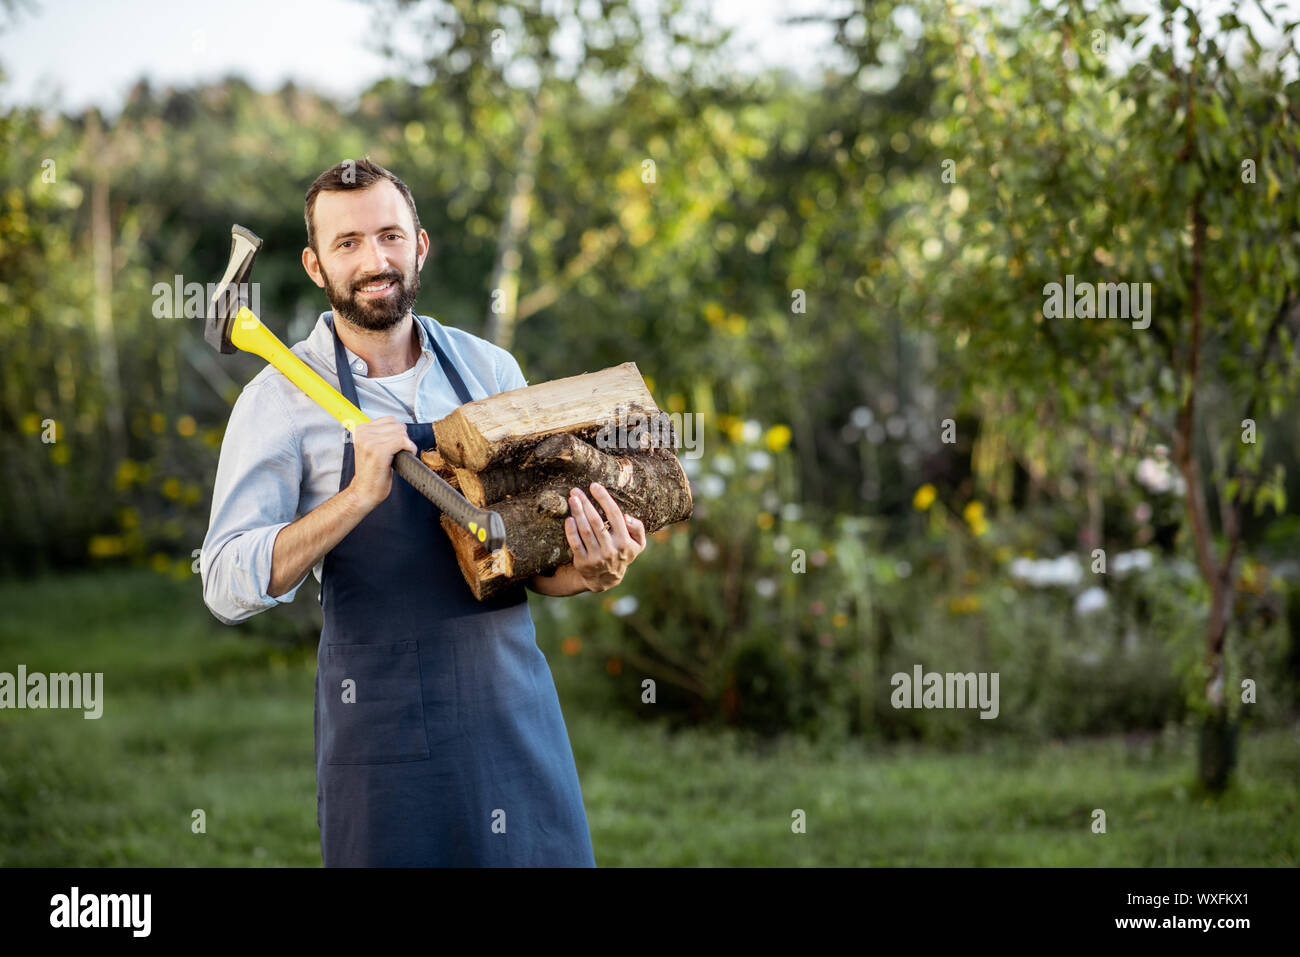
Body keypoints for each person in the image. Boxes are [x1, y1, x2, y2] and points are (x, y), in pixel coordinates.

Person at [200, 158, 646, 866]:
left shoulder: (488, 372)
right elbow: (224, 582)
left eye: (389, 236)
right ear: (316, 266)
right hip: (383, 745)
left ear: (421, 245)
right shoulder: (278, 401)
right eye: (348, 243)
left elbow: (525, 558)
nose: (374, 260)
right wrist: (355, 499)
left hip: (513, 719)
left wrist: (591, 570)